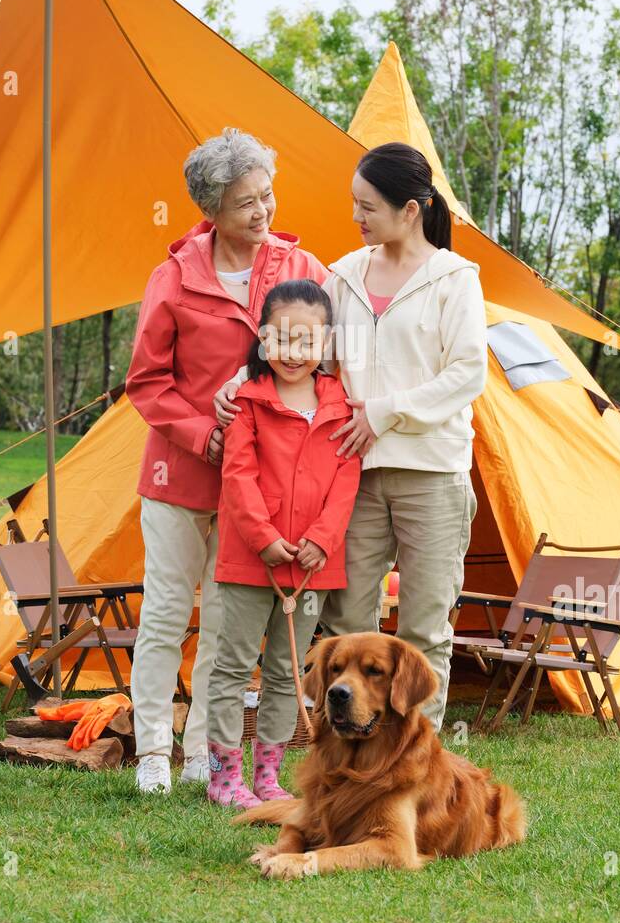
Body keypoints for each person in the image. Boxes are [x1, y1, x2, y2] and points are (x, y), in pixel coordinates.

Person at [216, 142, 487, 733]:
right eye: (355, 205)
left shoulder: (455, 280)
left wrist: (384, 412)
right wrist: (242, 378)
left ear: (410, 209)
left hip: (433, 474)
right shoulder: (342, 276)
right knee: (346, 622)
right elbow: (307, 352)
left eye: (367, 207)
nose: (357, 217)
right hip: (354, 472)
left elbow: (468, 375)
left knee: (423, 627)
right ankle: (345, 751)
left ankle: (415, 756)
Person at [125, 128, 327, 794]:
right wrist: (197, 433)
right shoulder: (173, 277)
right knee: (164, 611)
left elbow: (332, 362)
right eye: (245, 202)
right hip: (179, 476)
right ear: (211, 208)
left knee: (222, 620)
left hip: (258, 487)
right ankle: (151, 748)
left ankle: (200, 755)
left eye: (266, 195)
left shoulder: (302, 272)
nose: (262, 212)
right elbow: (146, 381)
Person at [207, 280, 360, 809]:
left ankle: (267, 775)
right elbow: (238, 475)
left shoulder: (341, 405)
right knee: (232, 665)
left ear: (326, 343)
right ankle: (224, 775)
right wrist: (265, 539)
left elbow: (346, 481)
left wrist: (321, 540)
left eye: (307, 341)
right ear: (263, 337)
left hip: (314, 566)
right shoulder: (247, 402)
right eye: (282, 339)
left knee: (286, 670)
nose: (294, 353)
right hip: (253, 561)